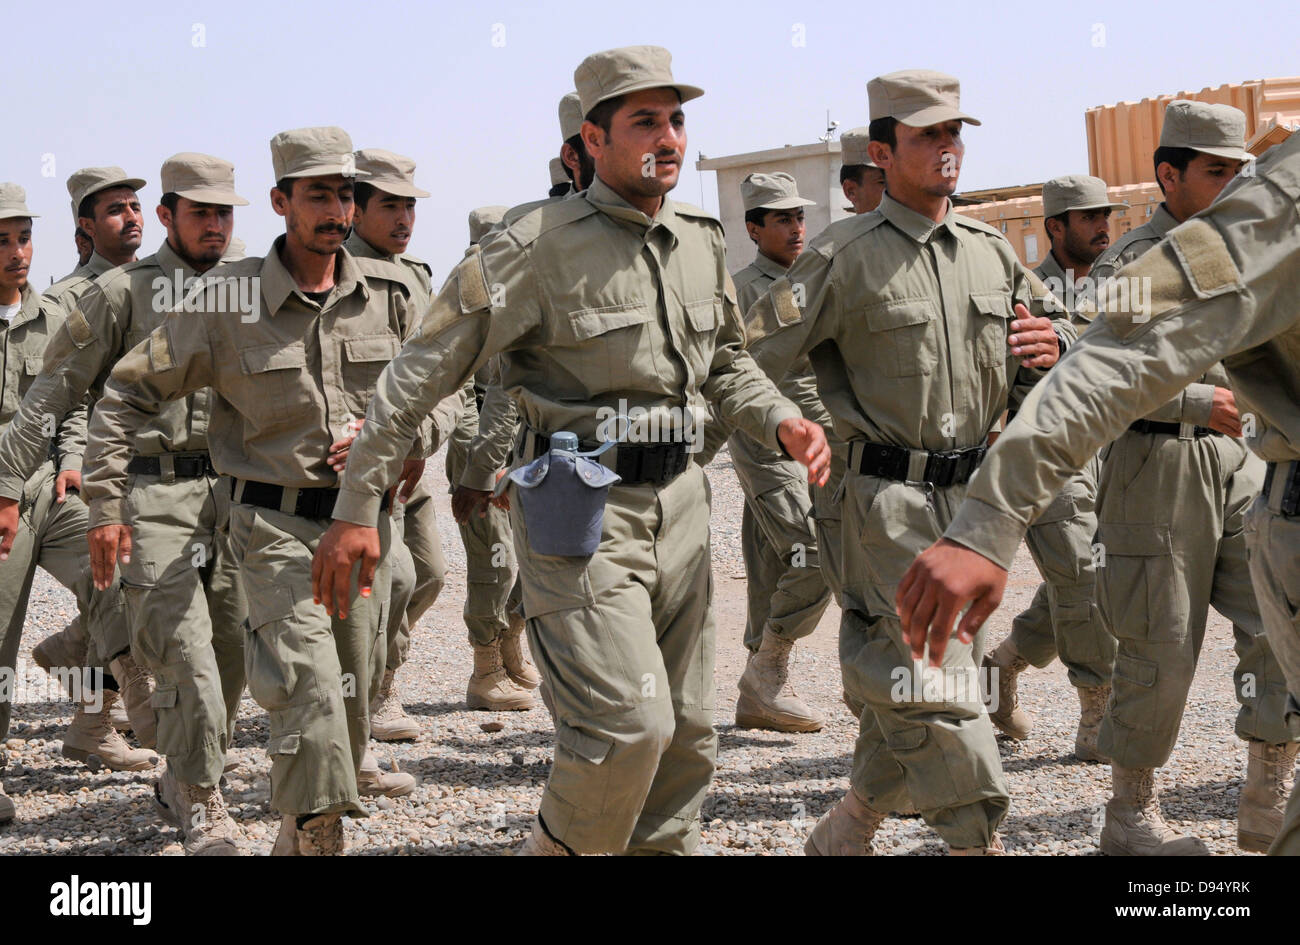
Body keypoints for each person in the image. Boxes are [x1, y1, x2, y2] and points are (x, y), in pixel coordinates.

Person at [312, 46, 828, 856]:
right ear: (592, 137)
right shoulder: (531, 246)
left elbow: (727, 364)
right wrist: (354, 509)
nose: (668, 137)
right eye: (644, 121)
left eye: (677, 118)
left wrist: (779, 422)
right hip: (581, 513)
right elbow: (417, 377)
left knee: (688, 730)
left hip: (684, 507)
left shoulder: (698, 240)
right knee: (628, 725)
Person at [897, 125, 1300, 857]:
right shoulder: (1148, 259)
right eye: (1215, 172)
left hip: (1241, 465)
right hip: (1151, 470)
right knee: (1156, 641)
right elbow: (1096, 364)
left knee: (1272, 630)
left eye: (1237, 171)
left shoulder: (1256, 240)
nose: (1231, 186)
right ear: (1169, 176)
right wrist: (1193, 405)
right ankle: (1130, 812)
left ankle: (1267, 790)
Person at [744, 69, 1070, 855]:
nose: (948, 148)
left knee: (910, 674)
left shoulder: (992, 253)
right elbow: (743, 356)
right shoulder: (839, 256)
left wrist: (1055, 345)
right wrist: (788, 422)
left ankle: (850, 823)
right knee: (942, 682)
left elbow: (1061, 342)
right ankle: (974, 840)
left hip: (974, 504)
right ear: (883, 154)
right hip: (882, 503)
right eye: (928, 135)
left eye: (956, 133)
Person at [82, 126, 426, 855]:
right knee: (308, 686)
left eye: (344, 194)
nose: (335, 210)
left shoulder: (392, 296)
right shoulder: (227, 300)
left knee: (355, 692)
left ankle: (299, 824)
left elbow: (443, 391)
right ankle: (313, 831)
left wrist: (397, 436)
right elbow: (126, 395)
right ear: (281, 201)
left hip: (362, 524)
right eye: (317, 195)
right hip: (271, 528)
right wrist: (108, 507)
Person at [0, 183, 148, 824]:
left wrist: (68, 463)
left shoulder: (54, 316)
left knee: (116, 570)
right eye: (1, 242)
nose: (16, 254)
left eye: (23, 238)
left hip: (50, 490)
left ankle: (125, 706)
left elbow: (74, 402)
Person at [983, 174, 1123, 761]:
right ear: (1055, 227)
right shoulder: (1027, 293)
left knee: (1092, 576)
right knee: (1082, 577)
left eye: (1105, 216)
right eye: (1088, 218)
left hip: (1116, 454)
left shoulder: (1122, 286)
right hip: (1049, 456)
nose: (1102, 227)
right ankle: (1097, 708)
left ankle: (1003, 665)